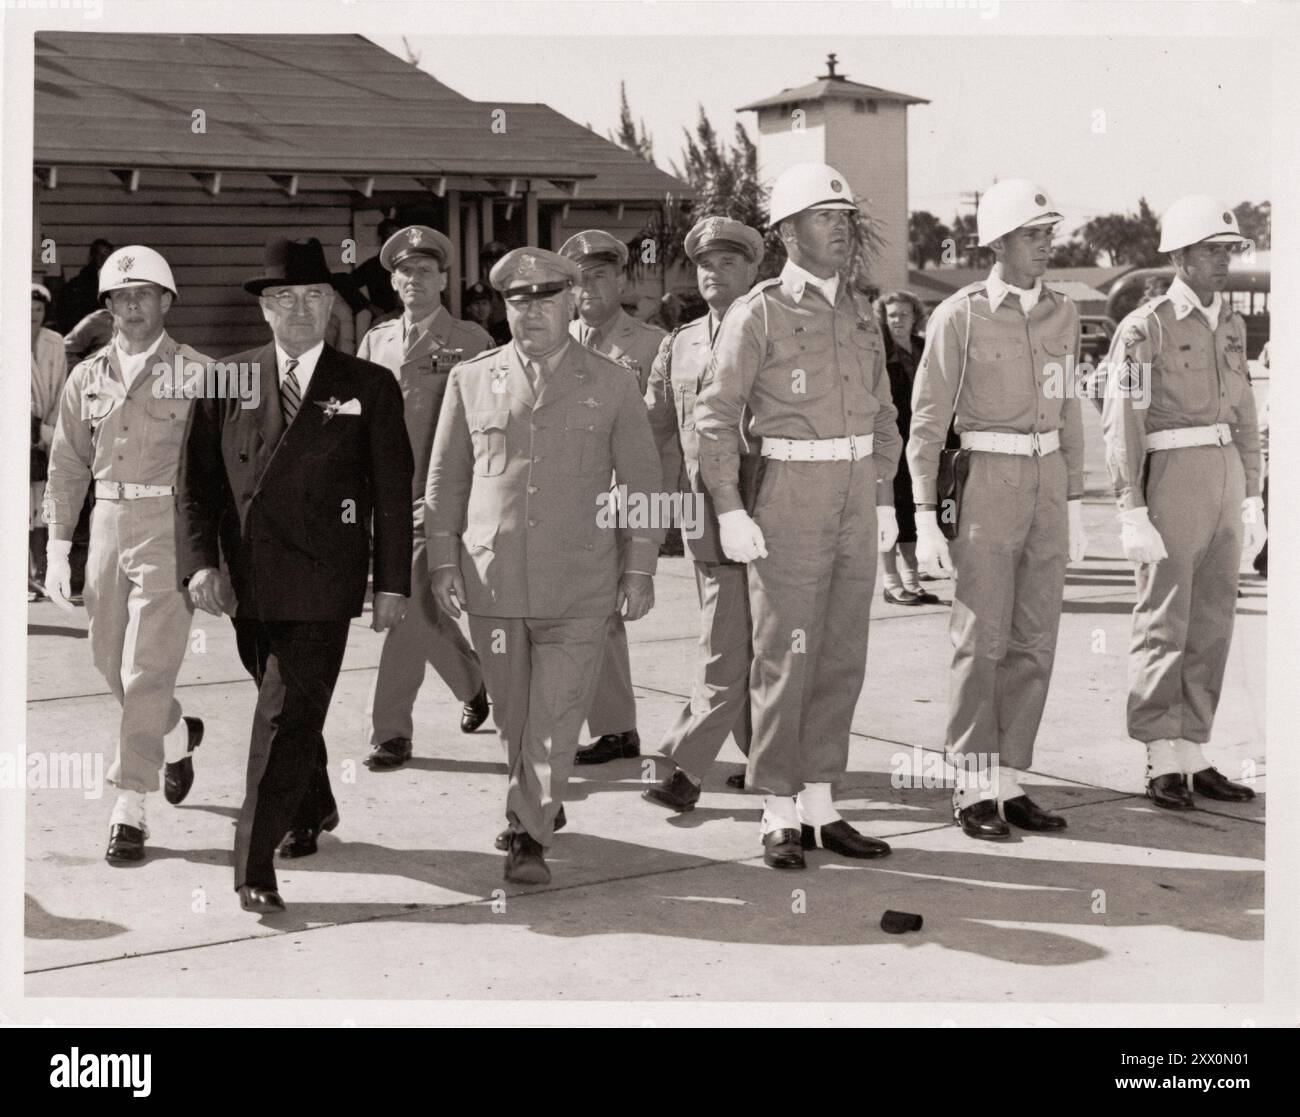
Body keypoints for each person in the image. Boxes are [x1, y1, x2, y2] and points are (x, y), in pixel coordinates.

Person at [177, 237, 413, 912]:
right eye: (285, 297)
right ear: (264, 308)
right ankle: (315, 800)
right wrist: (199, 564)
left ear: (332, 305)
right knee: (288, 710)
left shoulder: (368, 385)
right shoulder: (227, 378)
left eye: (315, 295)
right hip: (246, 583)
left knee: (280, 718)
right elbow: (195, 487)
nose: (302, 309)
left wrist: (391, 580)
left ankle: (252, 865)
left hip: (322, 582)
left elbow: (392, 492)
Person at [425, 248, 663, 884]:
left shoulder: (612, 381)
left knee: (554, 719)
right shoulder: (471, 379)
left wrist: (639, 570)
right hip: (493, 579)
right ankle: (536, 801)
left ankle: (526, 834)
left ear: (572, 302)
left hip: (580, 582)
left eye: (546, 301)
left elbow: (644, 481)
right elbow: (447, 478)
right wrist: (443, 557)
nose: (530, 314)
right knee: (515, 714)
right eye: (517, 302)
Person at [695, 163, 901, 869]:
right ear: (787, 231)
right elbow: (715, 418)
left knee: (842, 654)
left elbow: (883, 413)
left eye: (844, 216)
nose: (840, 227)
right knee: (787, 654)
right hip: (789, 491)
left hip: (851, 492)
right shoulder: (760, 312)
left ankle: (821, 801)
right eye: (823, 216)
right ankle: (777, 809)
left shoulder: (859, 311)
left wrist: (882, 497)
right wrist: (728, 509)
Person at [909, 179, 1088, 841]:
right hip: (987, 477)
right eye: (1035, 233)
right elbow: (926, 422)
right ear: (999, 241)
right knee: (981, 639)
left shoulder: (1064, 315)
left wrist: (1077, 501)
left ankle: (1010, 778)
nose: (1047, 243)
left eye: (1049, 232)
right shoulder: (960, 314)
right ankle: (971, 780)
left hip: (1048, 477)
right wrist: (925, 513)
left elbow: (1070, 407)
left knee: (1035, 637)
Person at [43, 247, 208, 864]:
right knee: (106, 658)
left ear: (167, 301)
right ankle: (175, 729)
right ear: (107, 306)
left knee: (146, 666)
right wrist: (59, 545)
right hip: (108, 525)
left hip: (168, 525)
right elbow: (67, 461)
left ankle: (129, 802)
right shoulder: (86, 377)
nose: (132, 305)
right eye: (120, 296)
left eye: (144, 294)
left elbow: (220, 467)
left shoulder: (199, 373)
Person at [1099, 194, 1262, 810]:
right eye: (1210, 251)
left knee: (1213, 620)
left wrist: (1253, 495)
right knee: (1165, 619)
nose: (1223, 261)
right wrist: (1130, 505)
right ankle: (1159, 753)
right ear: (1179, 257)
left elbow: (1245, 410)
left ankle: (1193, 748)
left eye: (1229, 250)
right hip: (1171, 474)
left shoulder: (1231, 323)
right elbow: (1123, 419)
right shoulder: (1147, 327)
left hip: (1221, 471)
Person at [355, 225, 492, 770]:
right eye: (405, 271)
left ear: (444, 279)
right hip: (381, 495)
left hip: (437, 497)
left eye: (426, 271)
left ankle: (391, 732)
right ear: (394, 281)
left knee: (405, 611)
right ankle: (473, 681)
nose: (415, 279)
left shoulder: (470, 341)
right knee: (421, 609)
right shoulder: (376, 340)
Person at [640, 217, 765, 812]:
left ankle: (683, 765)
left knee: (726, 642)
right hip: (701, 516)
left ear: (754, 270)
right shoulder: (681, 342)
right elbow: (651, 429)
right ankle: (765, 757)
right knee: (737, 638)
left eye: (729, 262)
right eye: (705, 264)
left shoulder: (775, 332)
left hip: (761, 510)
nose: (713, 273)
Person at [558, 229, 668, 767]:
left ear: (621, 279)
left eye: (600, 275)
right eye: (579, 279)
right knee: (587, 614)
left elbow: (662, 432)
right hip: (569, 499)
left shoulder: (652, 344)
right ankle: (614, 725)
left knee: (603, 612)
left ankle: (616, 726)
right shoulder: (557, 341)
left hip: (624, 500)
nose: (589, 288)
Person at [874, 289, 940, 606]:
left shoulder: (924, 349)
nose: (898, 320)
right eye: (892, 315)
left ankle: (912, 579)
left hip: (921, 442)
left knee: (915, 510)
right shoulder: (878, 354)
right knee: (889, 512)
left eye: (904, 314)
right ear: (883, 320)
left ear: (915, 317)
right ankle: (890, 581)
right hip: (890, 442)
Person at [31, 284, 66, 599]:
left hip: (43, 430)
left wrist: (49, 427)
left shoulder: (54, 342)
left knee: (42, 503)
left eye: (39, 310)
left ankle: (40, 573)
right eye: (29, 310)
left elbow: (60, 388)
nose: (33, 316)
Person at [56, 238, 114, 334]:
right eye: (100, 254)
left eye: (107, 255)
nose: (104, 259)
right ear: (92, 256)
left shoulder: (115, 283)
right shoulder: (77, 285)